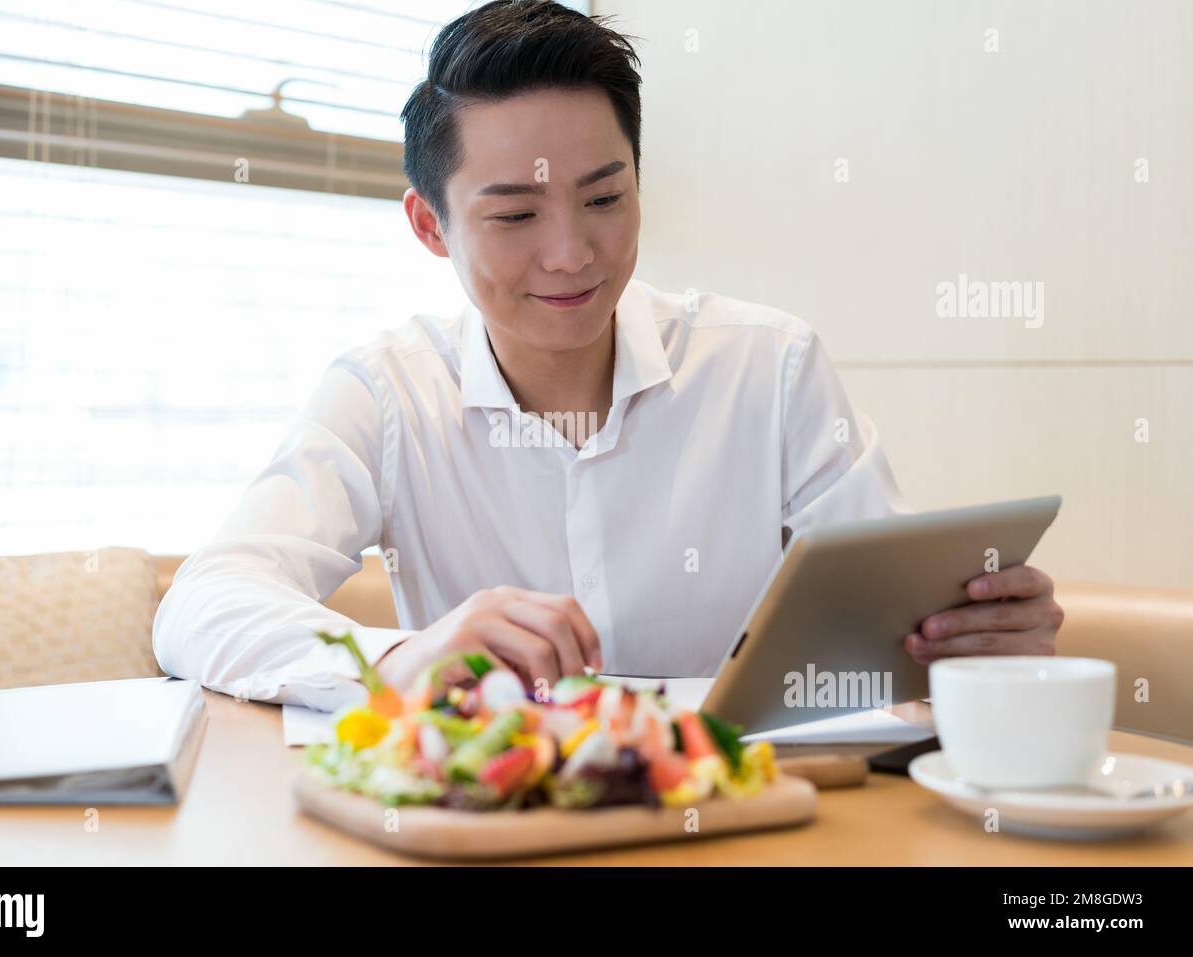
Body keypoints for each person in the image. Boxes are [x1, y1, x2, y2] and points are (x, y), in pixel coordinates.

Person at [152, 0, 1064, 711]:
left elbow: (885, 630)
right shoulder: (387, 393)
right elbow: (205, 604)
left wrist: (969, 639)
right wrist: (402, 655)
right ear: (430, 225)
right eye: (514, 215)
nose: (571, 253)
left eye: (604, 198)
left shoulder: (769, 368)